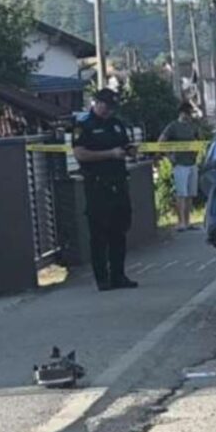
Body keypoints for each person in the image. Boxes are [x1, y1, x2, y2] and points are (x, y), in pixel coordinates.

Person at [73, 89, 138, 291]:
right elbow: (80, 154)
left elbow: (125, 145)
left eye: (112, 108)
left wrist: (130, 151)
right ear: (97, 103)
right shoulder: (84, 125)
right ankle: (102, 278)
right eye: (106, 106)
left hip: (118, 183)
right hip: (97, 185)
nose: (109, 111)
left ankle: (119, 275)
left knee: (118, 232)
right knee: (99, 234)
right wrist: (110, 153)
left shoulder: (117, 124)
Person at [159, 102, 201, 231]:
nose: (189, 116)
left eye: (190, 113)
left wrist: (197, 151)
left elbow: (200, 140)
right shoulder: (173, 126)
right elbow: (161, 141)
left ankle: (188, 222)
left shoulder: (193, 126)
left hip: (192, 162)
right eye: (187, 113)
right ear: (182, 112)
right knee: (181, 194)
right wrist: (169, 155)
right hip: (180, 163)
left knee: (190, 194)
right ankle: (181, 222)